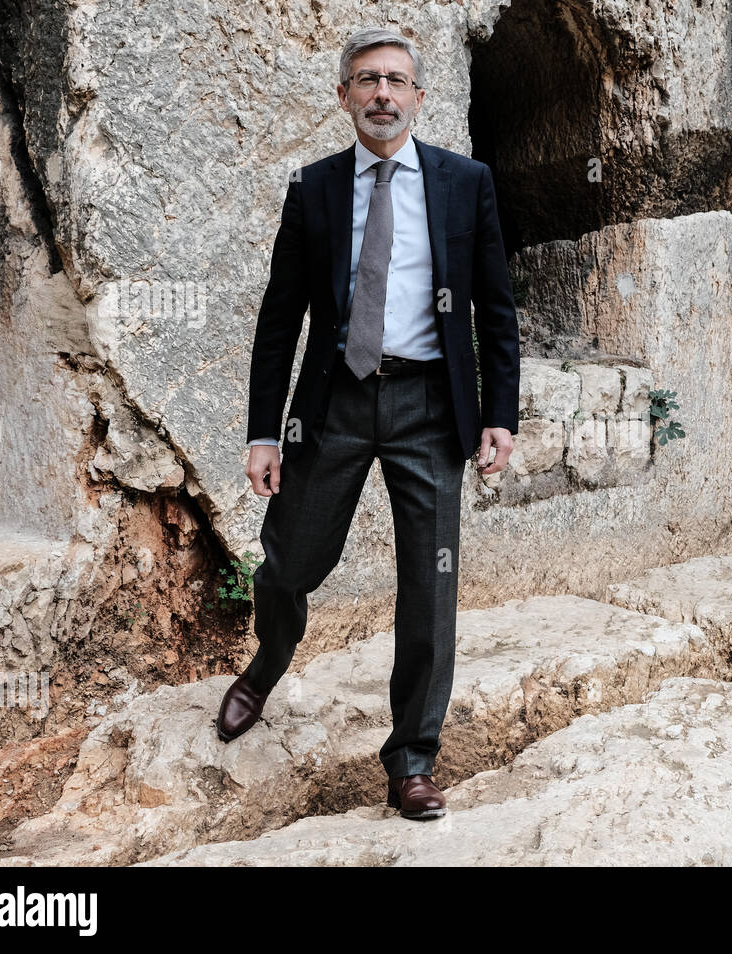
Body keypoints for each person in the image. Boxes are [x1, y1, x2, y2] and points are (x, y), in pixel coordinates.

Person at [216, 26, 520, 821]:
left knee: (431, 584)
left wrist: (499, 415)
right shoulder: (314, 187)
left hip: (430, 408)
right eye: (365, 80)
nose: (381, 93)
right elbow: (280, 319)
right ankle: (266, 665)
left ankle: (412, 759)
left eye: (395, 80)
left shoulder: (466, 183)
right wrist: (259, 431)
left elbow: (496, 308)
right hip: (336, 403)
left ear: (420, 97)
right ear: (344, 96)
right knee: (287, 561)